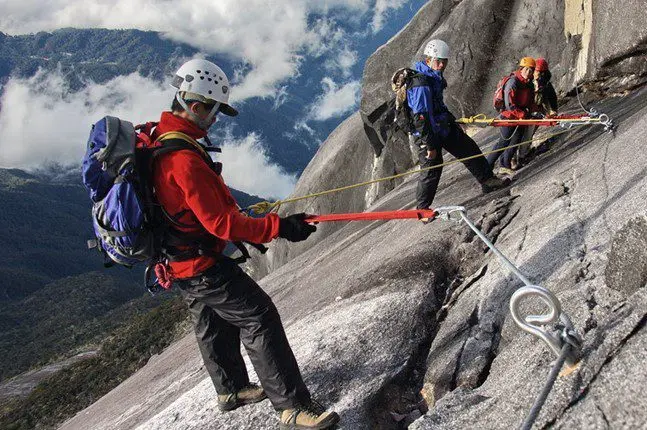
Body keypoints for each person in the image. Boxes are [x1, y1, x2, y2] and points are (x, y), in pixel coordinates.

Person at [151, 59, 339, 429]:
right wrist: (280, 226)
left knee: (210, 318)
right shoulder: (183, 159)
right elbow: (220, 224)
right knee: (258, 316)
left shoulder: (163, 138)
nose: (217, 119)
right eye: (215, 110)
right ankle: (292, 407)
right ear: (196, 106)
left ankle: (231, 389)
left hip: (177, 260)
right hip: (199, 262)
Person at [408, 39, 508, 212]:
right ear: (428, 60)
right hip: (428, 133)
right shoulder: (421, 83)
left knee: (469, 148)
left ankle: (488, 181)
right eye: (437, 61)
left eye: (443, 62)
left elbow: (437, 105)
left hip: (443, 126)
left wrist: (452, 121)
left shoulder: (433, 77)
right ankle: (422, 209)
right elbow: (421, 117)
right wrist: (430, 145)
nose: (440, 65)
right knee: (432, 168)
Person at [486, 57, 538, 175]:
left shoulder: (529, 84)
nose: (529, 73)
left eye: (531, 70)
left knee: (516, 141)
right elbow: (509, 104)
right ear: (521, 69)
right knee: (503, 142)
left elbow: (531, 102)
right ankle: (487, 167)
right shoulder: (513, 82)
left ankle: (505, 164)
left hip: (521, 117)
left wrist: (535, 112)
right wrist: (522, 114)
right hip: (508, 117)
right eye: (527, 70)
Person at [509, 57, 559, 169]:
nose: (539, 74)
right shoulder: (524, 80)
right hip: (520, 112)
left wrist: (552, 112)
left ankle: (522, 154)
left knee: (528, 134)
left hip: (534, 112)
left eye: (541, 72)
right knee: (517, 135)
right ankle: (513, 158)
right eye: (537, 71)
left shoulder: (544, 82)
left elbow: (551, 97)